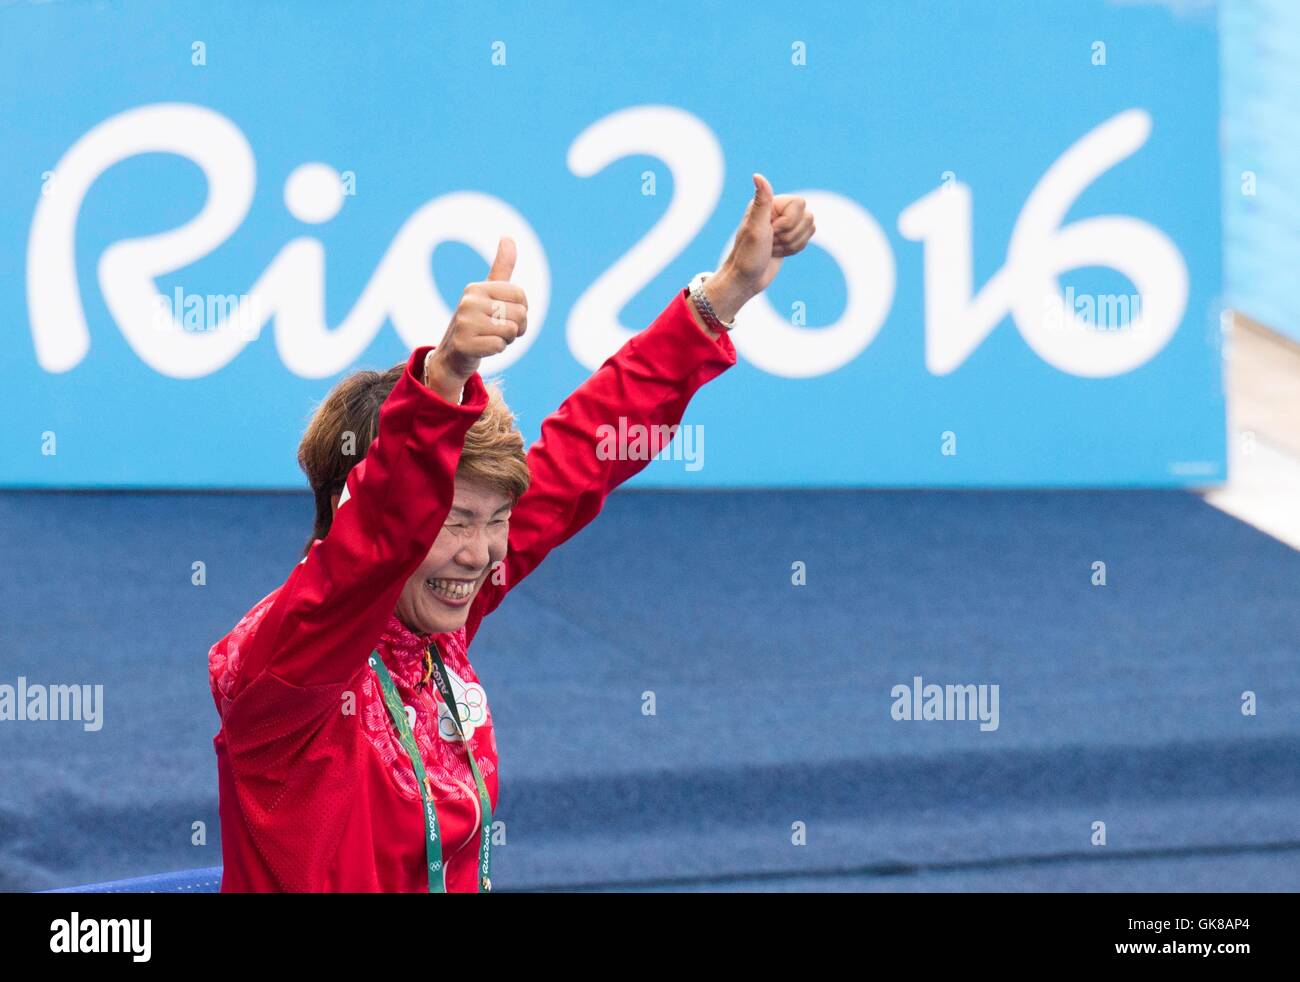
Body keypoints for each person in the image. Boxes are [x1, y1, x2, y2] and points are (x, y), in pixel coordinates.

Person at [207, 173, 815, 891]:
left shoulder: (434, 624)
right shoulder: (284, 666)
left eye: (494, 522)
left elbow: (583, 453)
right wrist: (445, 377)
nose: (480, 553)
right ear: (358, 508)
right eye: (454, 521)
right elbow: (376, 540)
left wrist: (723, 298)